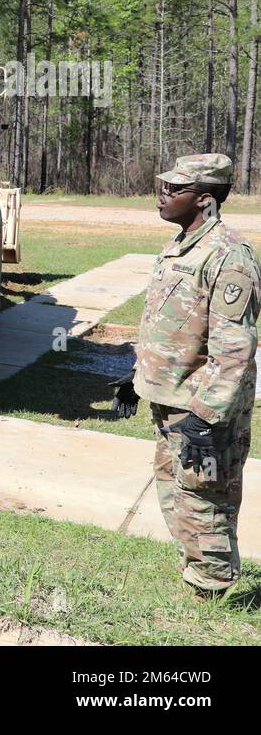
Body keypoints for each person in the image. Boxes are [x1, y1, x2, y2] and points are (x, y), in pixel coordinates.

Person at [111, 153, 259, 595]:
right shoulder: (180, 246)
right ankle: (196, 577)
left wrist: (208, 418)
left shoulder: (229, 257)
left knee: (205, 498)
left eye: (176, 189)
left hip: (201, 408)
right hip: (171, 402)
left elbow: (234, 349)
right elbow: (168, 323)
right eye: (164, 185)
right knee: (175, 492)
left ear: (206, 201)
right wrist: (138, 377)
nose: (163, 194)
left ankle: (212, 591)